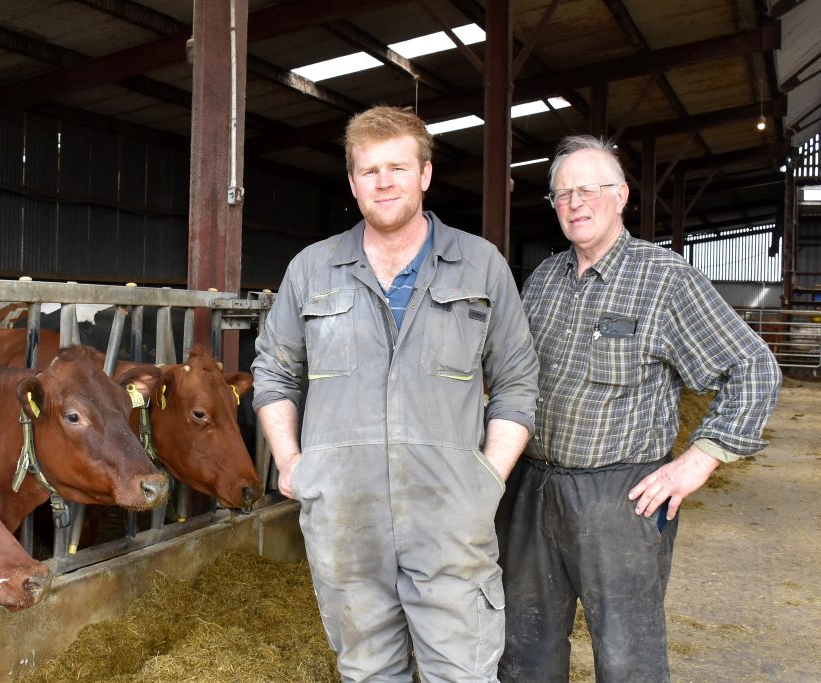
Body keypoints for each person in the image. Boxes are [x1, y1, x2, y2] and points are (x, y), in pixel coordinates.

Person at [251, 105, 539, 682]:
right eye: (370, 170)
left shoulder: (479, 264)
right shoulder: (313, 268)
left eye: (398, 167)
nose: (384, 182)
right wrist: (290, 463)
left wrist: (488, 477)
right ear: (353, 183)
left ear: (425, 175)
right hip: (345, 522)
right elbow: (274, 373)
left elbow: (516, 379)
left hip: (450, 521)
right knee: (366, 672)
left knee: (461, 672)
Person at [497, 135, 782, 682]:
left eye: (589, 189)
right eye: (561, 193)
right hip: (531, 488)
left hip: (621, 496)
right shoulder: (541, 283)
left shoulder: (666, 279)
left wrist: (699, 460)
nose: (575, 202)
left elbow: (753, 367)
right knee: (523, 647)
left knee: (628, 657)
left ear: (621, 195)